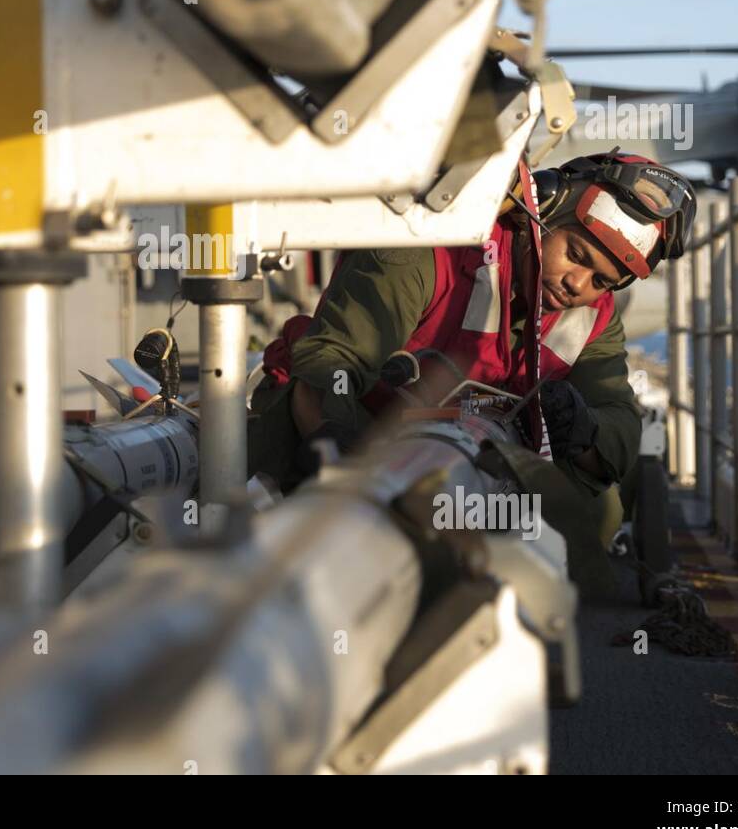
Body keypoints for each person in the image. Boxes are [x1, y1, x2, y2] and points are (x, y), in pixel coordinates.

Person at [248, 151, 696, 585]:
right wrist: (348, 465)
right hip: (361, 437)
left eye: (601, 280)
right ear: (542, 212)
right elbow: (331, 366)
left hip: (477, 467)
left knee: (597, 518)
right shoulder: (430, 250)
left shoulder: (593, 316)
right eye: (576, 254)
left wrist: (582, 427)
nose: (577, 285)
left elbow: (617, 425)